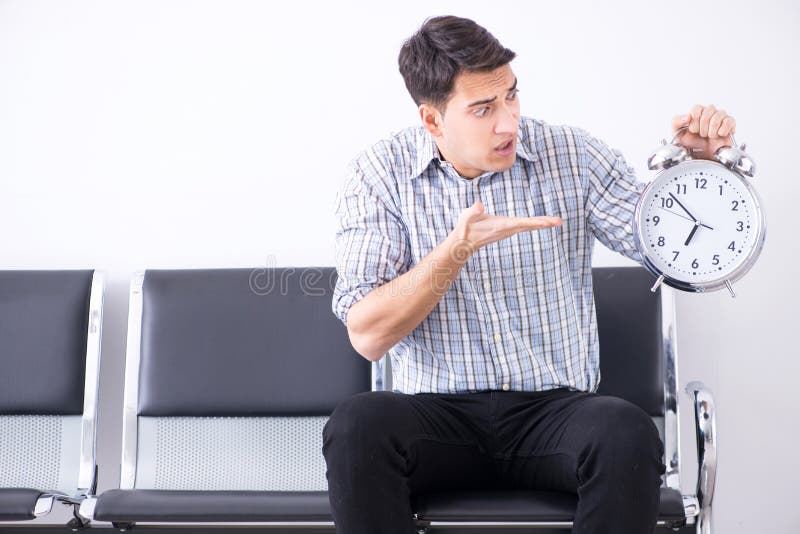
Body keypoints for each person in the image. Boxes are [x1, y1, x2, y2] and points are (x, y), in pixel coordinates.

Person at [323, 15, 736, 534]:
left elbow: (666, 247)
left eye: (511, 97)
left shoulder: (572, 156)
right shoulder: (378, 175)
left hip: (555, 414)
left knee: (624, 430)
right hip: (438, 417)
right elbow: (367, 334)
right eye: (483, 109)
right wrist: (456, 251)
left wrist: (696, 169)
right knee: (358, 426)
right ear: (432, 121)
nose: (508, 122)